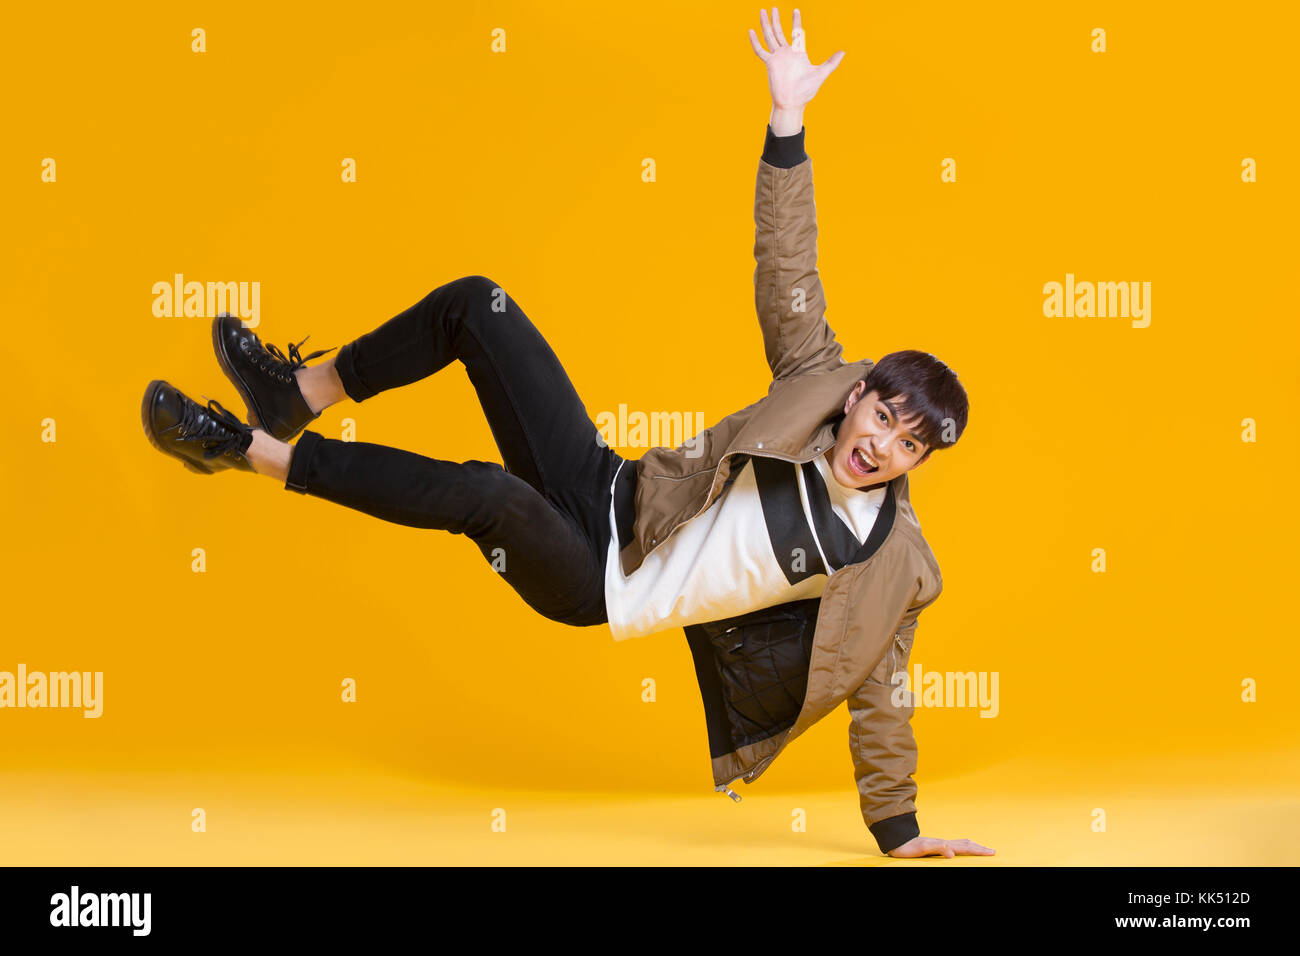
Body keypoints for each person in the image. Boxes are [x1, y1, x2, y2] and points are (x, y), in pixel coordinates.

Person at [140, 7, 991, 860]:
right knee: (480, 303)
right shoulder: (818, 382)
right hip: (608, 485)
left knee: (486, 493)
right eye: (884, 416)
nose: (883, 446)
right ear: (860, 398)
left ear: (919, 460)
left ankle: (241, 448)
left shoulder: (896, 565)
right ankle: (293, 393)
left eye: (910, 444)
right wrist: (786, 122)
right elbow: (787, 265)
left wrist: (900, 831)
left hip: (599, 579)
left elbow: (882, 694)